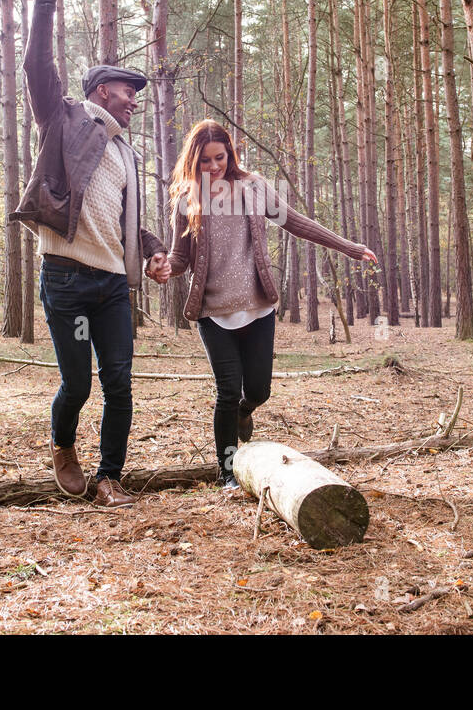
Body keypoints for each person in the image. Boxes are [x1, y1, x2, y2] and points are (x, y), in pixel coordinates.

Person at [10, 0, 171, 508]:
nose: (134, 102)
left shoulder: (125, 154)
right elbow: (36, 68)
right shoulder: (65, 118)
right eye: (129, 92)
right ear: (103, 90)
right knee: (79, 382)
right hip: (67, 280)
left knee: (120, 383)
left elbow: (123, 218)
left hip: (111, 290)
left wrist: (152, 252)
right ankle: (62, 445)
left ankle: (110, 476)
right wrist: (45, 0)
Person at [155, 120, 378, 488]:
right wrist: (165, 269)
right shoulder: (187, 200)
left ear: (230, 155)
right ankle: (227, 472)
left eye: (220, 158)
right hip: (213, 311)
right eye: (205, 161)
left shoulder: (253, 189)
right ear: (193, 162)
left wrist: (350, 248)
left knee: (257, 390)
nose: (213, 167)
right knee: (227, 390)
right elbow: (181, 258)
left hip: (257, 307)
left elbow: (296, 223)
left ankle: (247, 411)